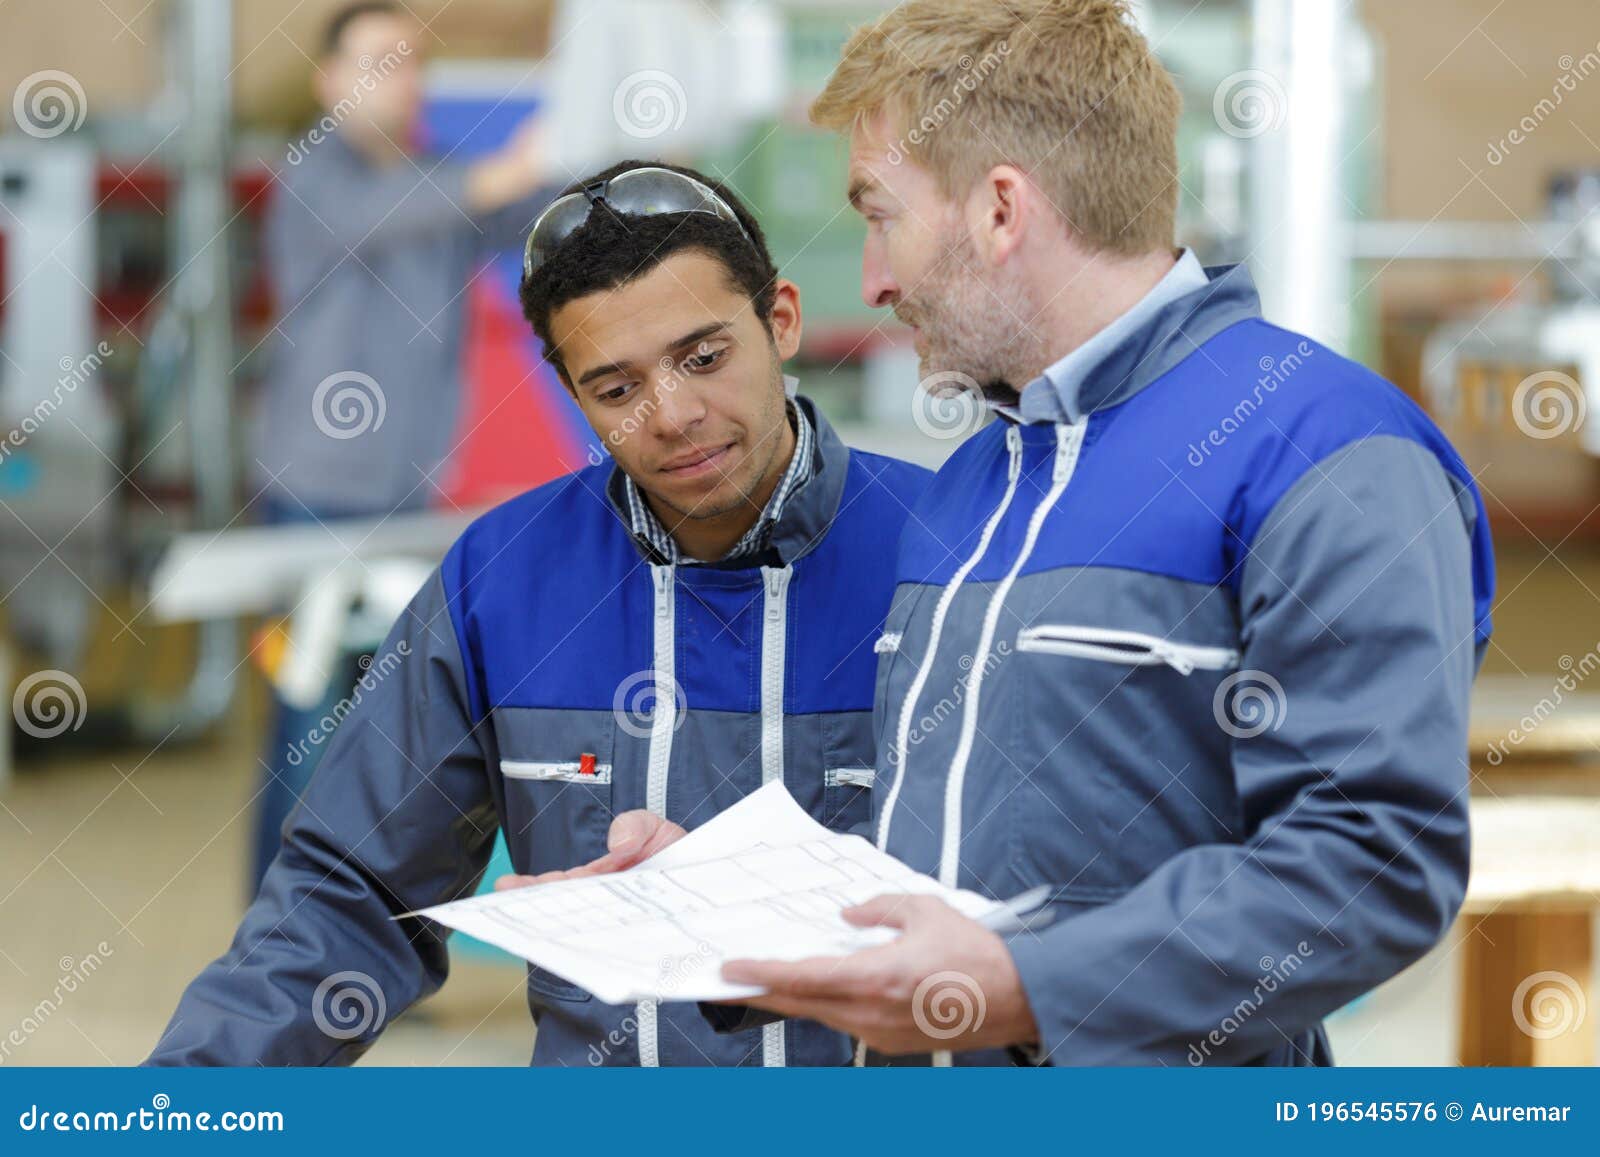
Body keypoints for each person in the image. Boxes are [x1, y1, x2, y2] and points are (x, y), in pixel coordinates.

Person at [568, 0, 1495, 1066]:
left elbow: (1372, 861)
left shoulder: (1325, 454)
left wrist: (1025, 987)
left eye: (880, 214)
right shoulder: (971, 485)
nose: (873, 280)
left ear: (1000, 210)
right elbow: (963, 854)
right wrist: (731, 912)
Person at [146, 160, 933, 1067]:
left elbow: (1060, 900)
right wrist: (178, 1099)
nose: (672, 414)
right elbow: (348, 897)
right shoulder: (501, 579)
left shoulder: (948, 556)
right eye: (617, 388)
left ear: (781, 319)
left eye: (703, 357)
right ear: (570, 392)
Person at [247, 1, 557, 892]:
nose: (401, 78)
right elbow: (404, 214)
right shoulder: (313, 174)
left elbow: (525, 215)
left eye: (411, 61)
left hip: (406, 493)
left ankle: (353, 924)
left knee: (383, 730)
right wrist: (515, 164)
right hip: (316, 491)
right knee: (304, 723)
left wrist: (586, 157)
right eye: (378, 60)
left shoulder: (440, 173)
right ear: (328, 80)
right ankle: (275, 935)